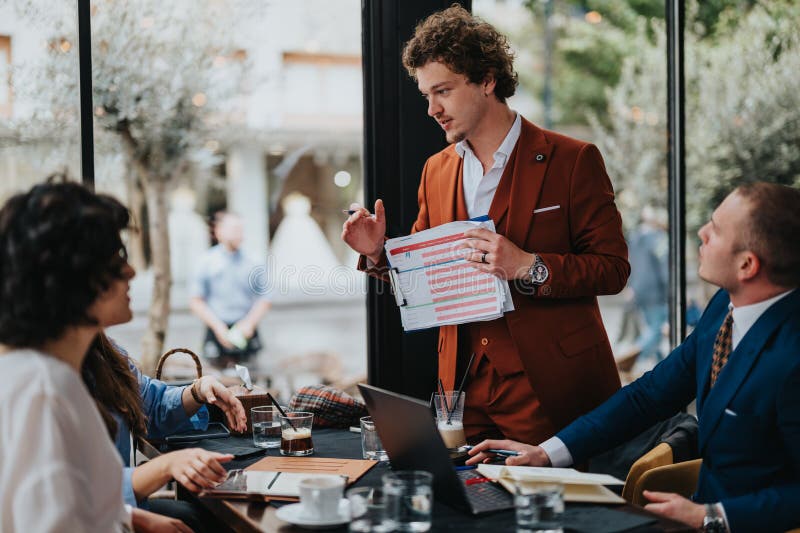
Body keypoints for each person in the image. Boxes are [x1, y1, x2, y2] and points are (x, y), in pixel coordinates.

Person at [341, 5, 629, 445]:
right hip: (461, 389)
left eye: (444, 91)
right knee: (467, 505)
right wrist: (379, 253)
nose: (432, 109)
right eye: (426, 95)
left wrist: (528, 265)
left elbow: (613, 269)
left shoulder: (572, 160)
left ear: (488, 80)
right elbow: (423, 281)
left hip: (551, 386)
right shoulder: (435, 170)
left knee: (547, 510)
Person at [467, 182, 800, 532]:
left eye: (715, 231)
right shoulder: (723, 307)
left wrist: (711, 517)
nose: (701, 232)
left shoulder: (793, 359)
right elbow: (649, 395)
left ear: (747, 265)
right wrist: (547, 453)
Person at [0, 180, 188, 532]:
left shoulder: (40, 373)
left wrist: (129, 517)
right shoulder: (44, 390)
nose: (130, 271)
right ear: (74, 276)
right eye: (116, 259)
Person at [83, 333, 247, 532]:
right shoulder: (49, 381)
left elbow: (151, 405)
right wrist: (166, 466)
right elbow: (71, 493)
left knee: (209, 518)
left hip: (118, 508)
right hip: (99, 519)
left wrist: (199, 390)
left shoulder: (104, 351)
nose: (129, 299)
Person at [190, 212, 271, 369]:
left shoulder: (254, 261)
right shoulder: (205, 262)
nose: (239, 234)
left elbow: (265, 297)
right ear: (218, 231)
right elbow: (196, 301)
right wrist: (218, 327)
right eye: (234, 229)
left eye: (241, 229)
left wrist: (249, 323)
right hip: (216, 329)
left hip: (247, 329)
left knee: (251, 382)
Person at [617, 205, 669, 365]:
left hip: (639, 290)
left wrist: (631, 286)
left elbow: (630, 263)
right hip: (656, 292)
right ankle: (632, 359)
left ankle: (661, 364)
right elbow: (665, 268)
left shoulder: (635, 237)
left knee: (652, 327)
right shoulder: (659, 238)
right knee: (656, 330)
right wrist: (671, 291)